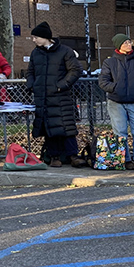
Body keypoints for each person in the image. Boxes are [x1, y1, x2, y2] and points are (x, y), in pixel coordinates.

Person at [25, 22, 85, 167]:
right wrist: (32, 85)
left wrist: (61, 86)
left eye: (36, 37)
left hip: (61, 96)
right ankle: (54, 156)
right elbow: (30, 71)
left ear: (45, 37)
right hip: (43, 96)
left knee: (66, 126)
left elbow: (75, 70)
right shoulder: (35, 53)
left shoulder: (65, 51)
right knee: (48, 128)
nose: (34, 40)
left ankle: (72, 155)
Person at [99, 34, 134, 171]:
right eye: (125, 43)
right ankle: (125, 160)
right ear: (118, 46)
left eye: (129, 42)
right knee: (120, 132)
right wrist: (115, 89)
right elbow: (103, 81)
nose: (129, 45)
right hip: (116, 101)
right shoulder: (110, 62)